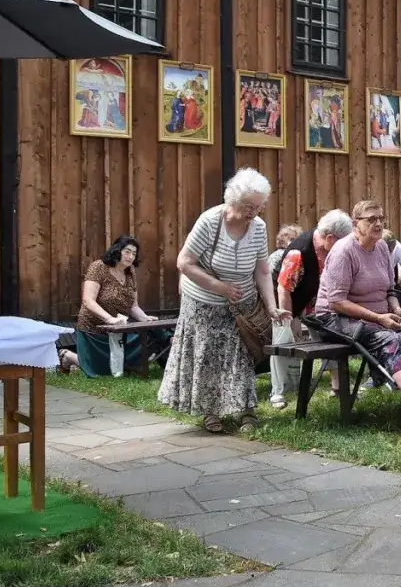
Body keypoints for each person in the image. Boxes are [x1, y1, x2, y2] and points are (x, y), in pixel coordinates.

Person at [160, 168, 289, 434]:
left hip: (242, 304)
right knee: (208, 356)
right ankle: (210, 412)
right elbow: (184, 263)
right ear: (233, 200)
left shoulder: (259, 227)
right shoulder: (210, 221)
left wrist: (272, 306)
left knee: (242, 355)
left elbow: (262, 269)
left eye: (258, 206)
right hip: (204, 301)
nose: (253, 212)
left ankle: (247, 411)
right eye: (248, 206)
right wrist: (219, 287)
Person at [314, 200, 401, 426]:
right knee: (388, 339)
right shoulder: (344, 251)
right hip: (335, 319)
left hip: (376, 313)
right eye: (371, 219)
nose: (378, 223)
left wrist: (397, 309)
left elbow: (389, 288)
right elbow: (337, 302)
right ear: (355, 224)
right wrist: (380, 318)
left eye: (381, 218)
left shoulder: (382, 247)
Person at [269, 210, 354, 410]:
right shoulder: (299, 252)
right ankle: (278, 393)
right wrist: (291, 319)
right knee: (283, 343)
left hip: (315, 303)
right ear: (330, 237)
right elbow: (283, 289)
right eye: (342, 242)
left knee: (331, 336)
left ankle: (338, 386)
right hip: (286, 303)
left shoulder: (328, 248)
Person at [64, 235, 163, 377]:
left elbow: (133, 306)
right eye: (127, 251)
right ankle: (69, 356)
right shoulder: (98, 267)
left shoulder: (130, 273)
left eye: (134, 254)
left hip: (118, 331)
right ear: (117, 250)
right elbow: (88, 300)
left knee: (119, 368)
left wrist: (145, 318)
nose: (130, 257)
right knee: (101, 373)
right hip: (93, 329)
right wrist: (109, 318)